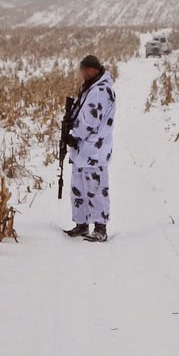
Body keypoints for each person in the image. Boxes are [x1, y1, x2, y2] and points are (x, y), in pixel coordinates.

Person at [63, 54, 116, 242]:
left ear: (92, 69)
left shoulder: (100, 90)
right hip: (83, 150)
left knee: (95, 188)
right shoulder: (91, 88)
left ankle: (100, 228)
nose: (82, 73)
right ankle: (82, 224)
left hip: (94, 150)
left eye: (84, 69)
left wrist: (74, 135)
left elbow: (90, 120)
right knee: (79, 188)